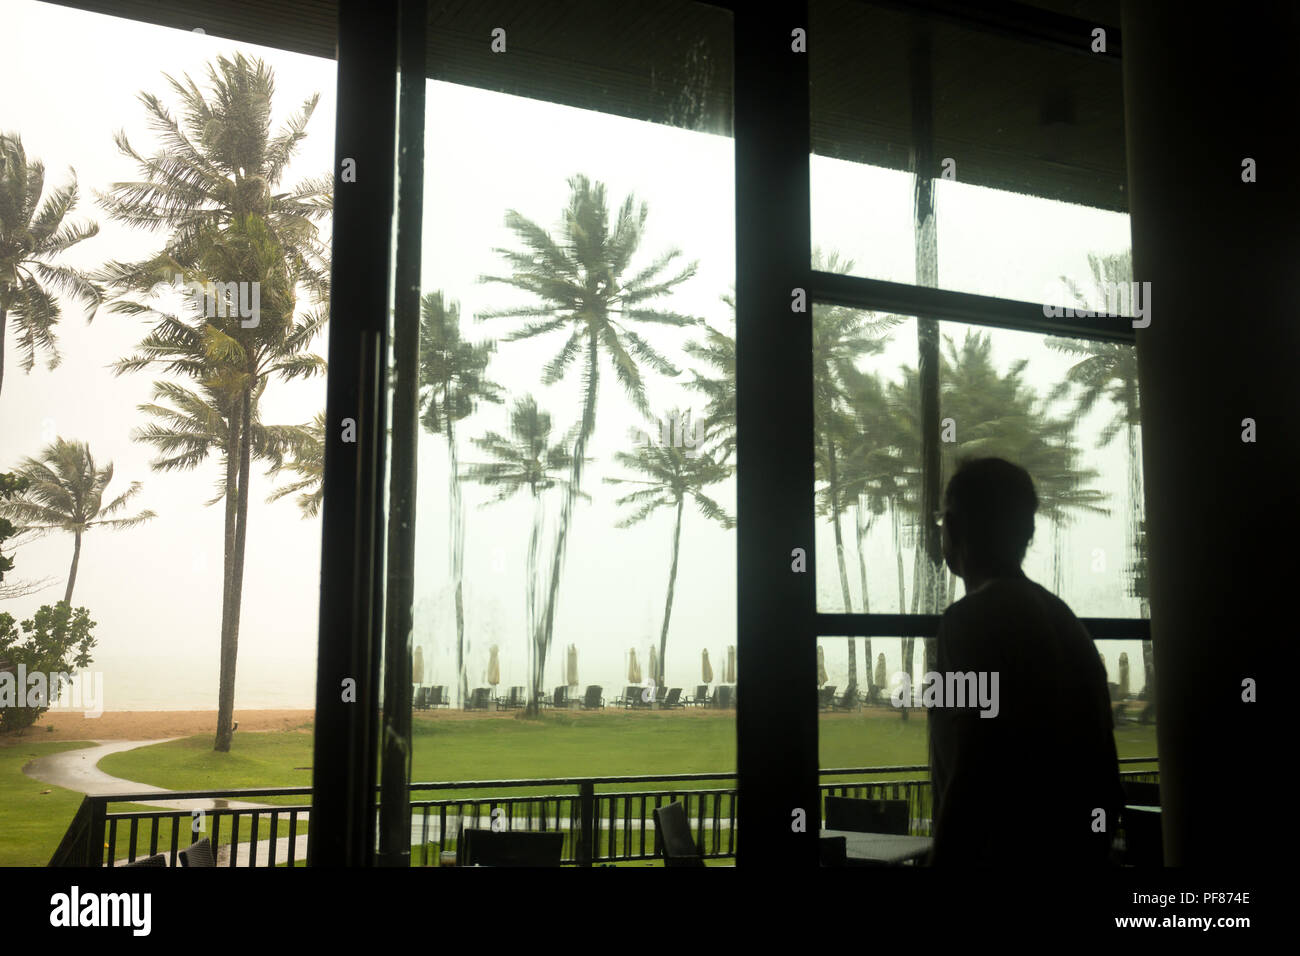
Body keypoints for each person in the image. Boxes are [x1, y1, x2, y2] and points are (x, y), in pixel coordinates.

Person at [927, 457, 1123, 865]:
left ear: (955, 528)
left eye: (942, 519)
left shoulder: (966, 621)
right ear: (1027, 532)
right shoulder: (1066, 622)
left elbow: (970, 767)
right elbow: (1104, 773)